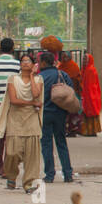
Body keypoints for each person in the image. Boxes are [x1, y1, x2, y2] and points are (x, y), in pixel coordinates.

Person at [0, 53, 43, 191]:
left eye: (28, 61)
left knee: (32, 155)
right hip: (15, 119)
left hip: (31, 120)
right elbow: (14, 100)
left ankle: (29, 183)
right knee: (12, 152)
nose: (25, 63)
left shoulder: (38, 79)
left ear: (33, 65)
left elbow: (36, 93)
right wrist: (32, 103)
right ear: (20, 64)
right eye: (23, 61)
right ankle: (11, 176)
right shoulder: (12, 79)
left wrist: (32, 76)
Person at [37, 51, 76, 184]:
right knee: (61, 142)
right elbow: (71, 92)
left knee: (46, 144)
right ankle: (68, 174)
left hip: (45, 113)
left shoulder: (39, 77)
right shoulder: (62, 74)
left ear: (43, 62)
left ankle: (49, 174)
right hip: (60, 113)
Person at [41, 37, 82, 138]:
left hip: (63, 96)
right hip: (60, 96)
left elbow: (76, 79)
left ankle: (72, 129)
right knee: (60, 140)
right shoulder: (61, 68)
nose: (65, 58)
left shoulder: (72, 66)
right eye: (63, 57)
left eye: (66, 57)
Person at [0, 37, 19, 175]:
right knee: (11, 136)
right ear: (12, 48)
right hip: (13, 103)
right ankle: (9, 167)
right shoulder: (18, 64)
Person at [79, 53, 102, 136]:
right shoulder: (84, 70)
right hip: (86, 94)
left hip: (91, 94)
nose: (84, 61)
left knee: (91, 110)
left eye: (86, 59)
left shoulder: (90, 70)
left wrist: (90, 96)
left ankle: (92, 131)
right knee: (86, 111)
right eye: (83, 59)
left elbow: (91, 85)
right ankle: (88, 131)